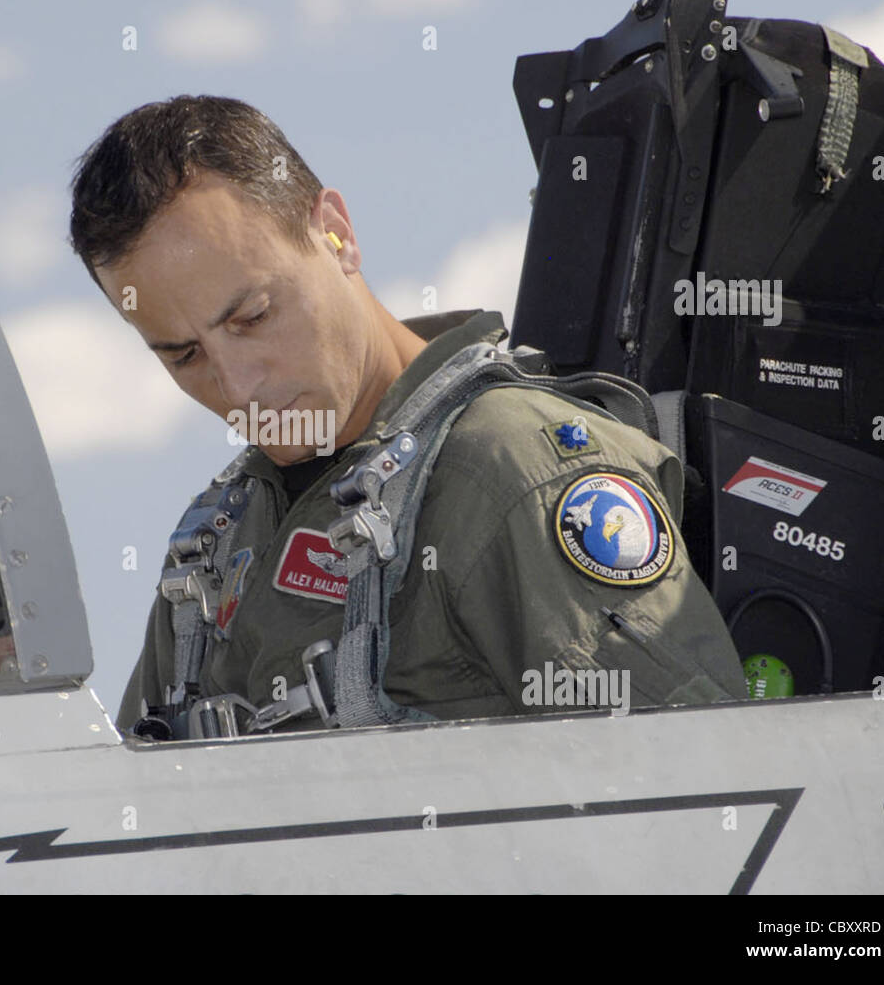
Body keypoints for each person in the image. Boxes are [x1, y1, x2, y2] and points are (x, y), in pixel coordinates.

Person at [68, 94, 745, 738]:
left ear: (334, 234)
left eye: (253, 316)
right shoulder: (215, 543)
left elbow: (694, 789)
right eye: (185, 356)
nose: (238, 386)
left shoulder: (513, 472)